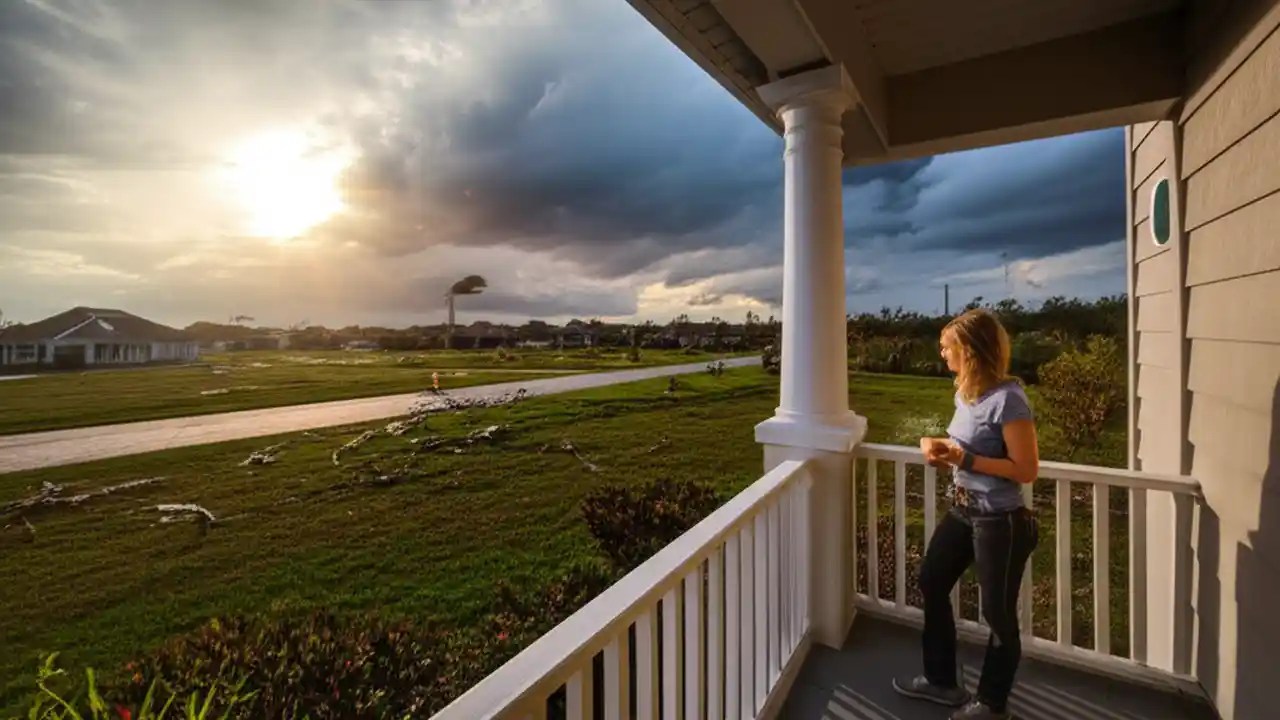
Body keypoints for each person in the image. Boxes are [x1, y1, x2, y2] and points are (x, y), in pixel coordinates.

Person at [892, 309, 1041, 720]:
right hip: (963, 509)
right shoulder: (966, 394)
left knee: (997, 613)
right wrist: (934, 444)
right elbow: (963, 448)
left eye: (947, 347)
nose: (942, 354)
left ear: (970, 351)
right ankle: (942, 683)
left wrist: (966, 459)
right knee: (932, 580)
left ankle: (992, 705)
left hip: (1000, 520)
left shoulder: (1008, 399)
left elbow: (1025, 469)